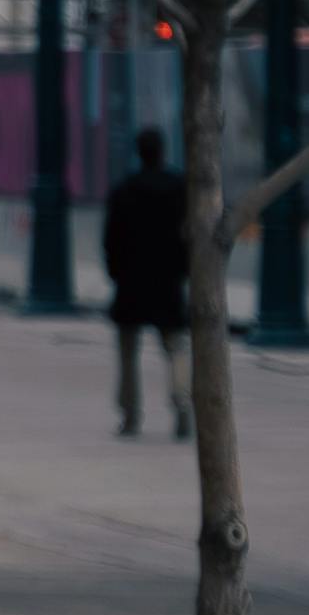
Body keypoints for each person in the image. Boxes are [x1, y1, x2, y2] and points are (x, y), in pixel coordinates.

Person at [104, 123, 193, 441]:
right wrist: (184, 270)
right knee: (176, 347)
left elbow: (111, 239)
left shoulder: (124, 190)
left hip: (130, 281)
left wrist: (115, 273)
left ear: (137, 153)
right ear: (162, 152)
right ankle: (182, 406)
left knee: (128, 351)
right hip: (168, 280)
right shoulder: (180, 188)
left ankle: (130, 414)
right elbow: (190, 234)